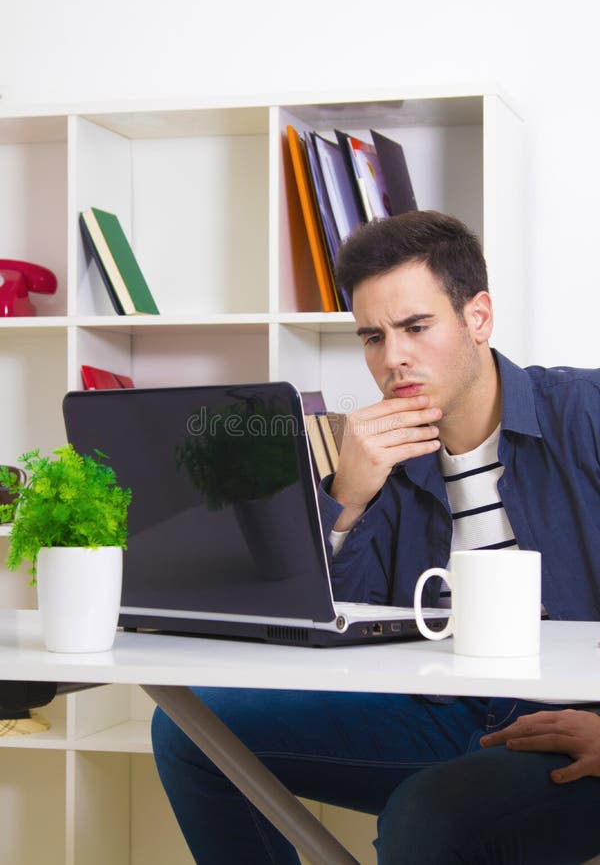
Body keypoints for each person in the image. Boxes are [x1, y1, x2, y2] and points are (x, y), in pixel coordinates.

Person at [152, 211, 600, 864]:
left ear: (478, 317)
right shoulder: (377, 460)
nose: (393, 359)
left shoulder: (585, 416)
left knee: (427, 815)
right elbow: (334, 635)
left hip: (572, 720)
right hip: (442, 708)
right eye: (372, 336)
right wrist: (347, 498)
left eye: (416, 328)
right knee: (192, 730)